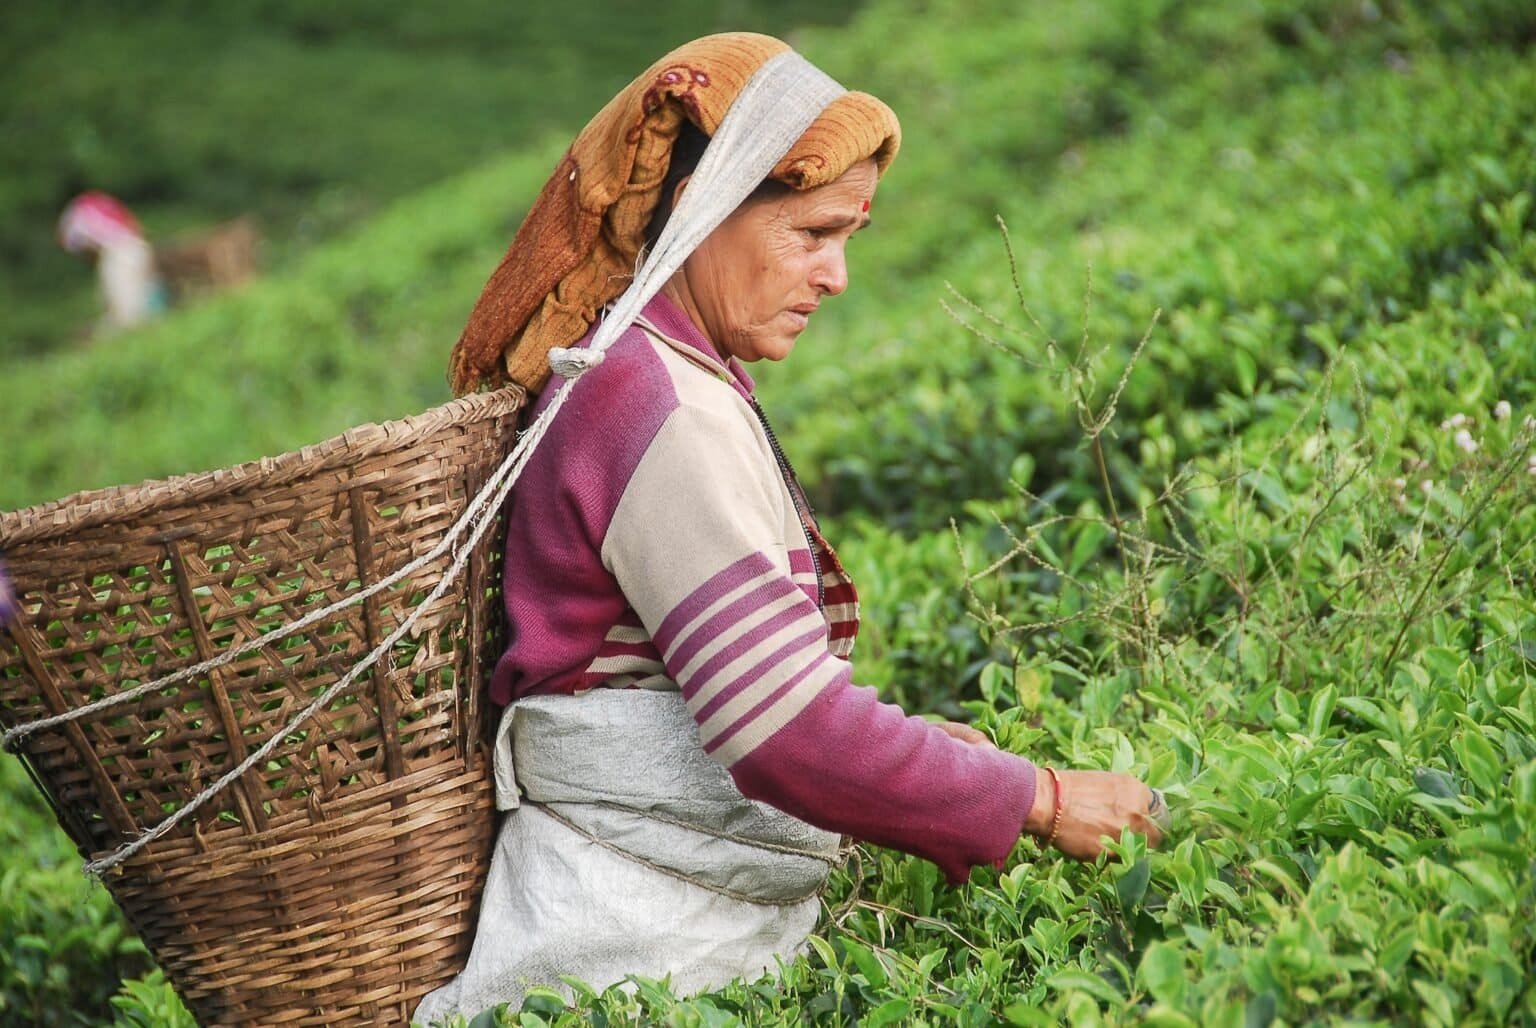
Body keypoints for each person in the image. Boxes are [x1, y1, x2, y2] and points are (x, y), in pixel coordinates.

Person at [418, 33, 1164, 1022]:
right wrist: (1045, 795)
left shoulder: (652, 372)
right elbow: (786, 729)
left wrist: (939, 759)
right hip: (626, 961)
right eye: (812, 232)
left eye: (849, 236)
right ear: (701, 210)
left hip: (662, 934)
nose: (837, 275)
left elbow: (732, 686)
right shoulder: (655, 404)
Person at [57, 191, 168, 334]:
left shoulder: (74, 217)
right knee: (144, 298)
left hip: (117, 253)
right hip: (138, 246)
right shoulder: (101, 201)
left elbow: (73, 242)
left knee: (127, 312)